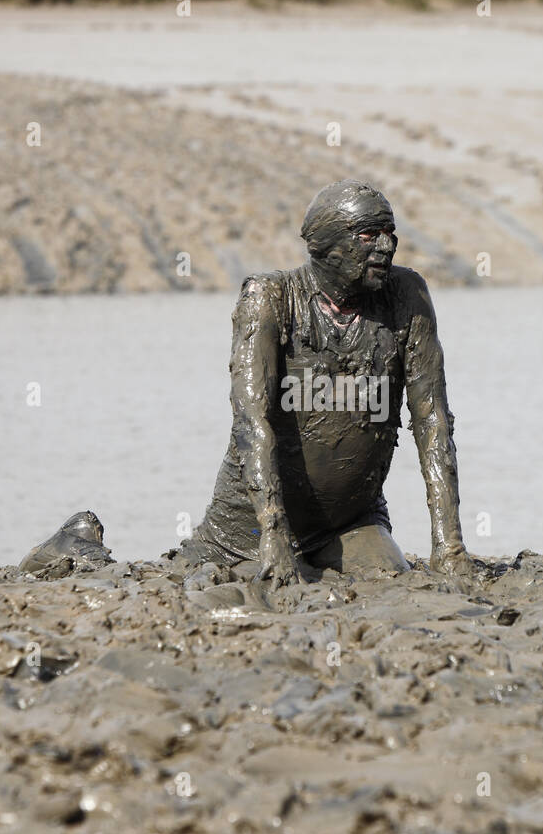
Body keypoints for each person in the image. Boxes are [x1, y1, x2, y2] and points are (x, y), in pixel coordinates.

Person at [183, 178, 477, 585]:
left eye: (390, 233)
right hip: (244, 533)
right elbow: (252, 424)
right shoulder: (271, 298)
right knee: (253, 589)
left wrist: (449, 546)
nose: (386, 246)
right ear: (326, 245)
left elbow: (432, 420)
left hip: (352, 522)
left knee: (390, 578)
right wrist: (272, 534)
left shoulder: (406, 296)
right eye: (369, 235)